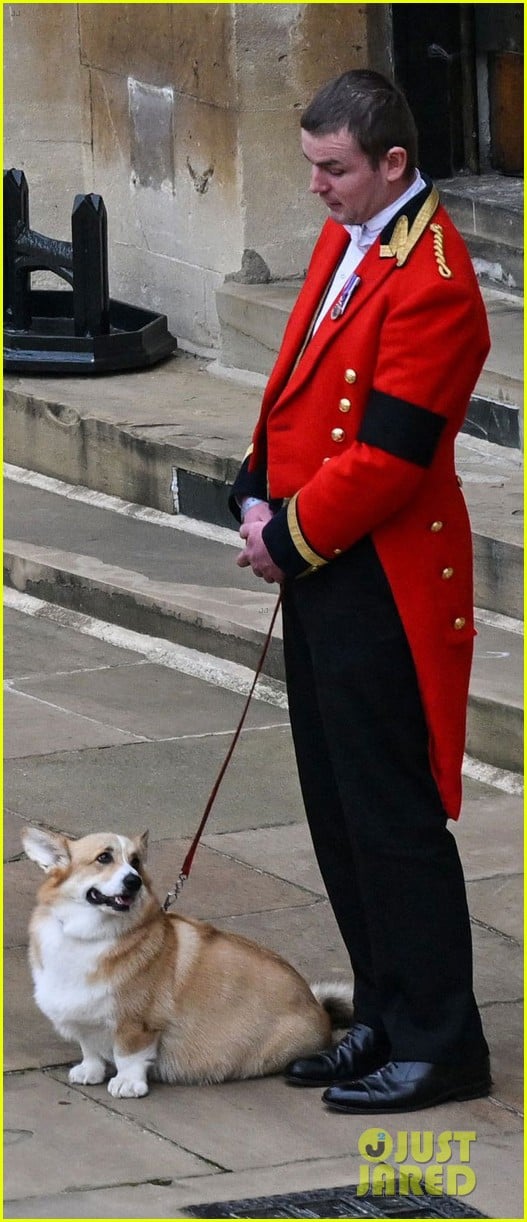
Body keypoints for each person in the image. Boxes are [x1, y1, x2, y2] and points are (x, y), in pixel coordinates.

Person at [229, 69, 491, 1115]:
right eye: (310, 166)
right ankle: (381, 1013)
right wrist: (256, 486)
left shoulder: (434, 277)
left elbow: (388, 456)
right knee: (337, 810)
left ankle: (441, 1041)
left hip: (381, 578)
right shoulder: (353, 236)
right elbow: (295, 383)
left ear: (391, 162)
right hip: (325, 564)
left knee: (389, 816)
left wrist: (284, 539)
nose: (315, 188)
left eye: (331, 169)